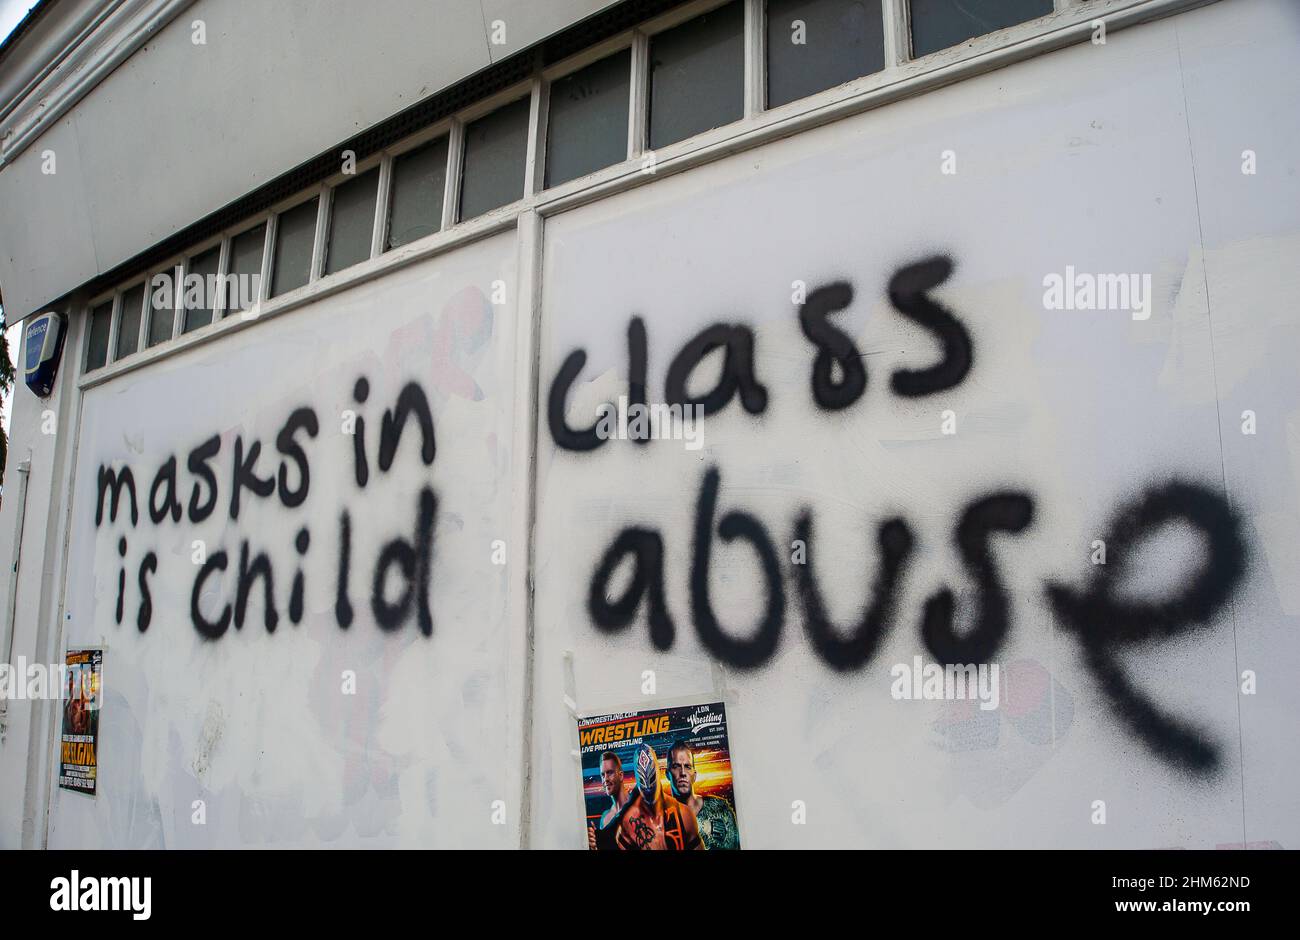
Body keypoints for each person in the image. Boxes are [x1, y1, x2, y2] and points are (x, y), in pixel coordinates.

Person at [613, 743, 703, 850]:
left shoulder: (684, 815)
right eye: (642, 782)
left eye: (651, 779)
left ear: (659, 772)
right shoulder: (627, 824)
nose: (648, 789)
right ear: (637, 780)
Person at [666, 738, 740, 850]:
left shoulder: (720, 809)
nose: (682, 773)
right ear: (667, 774)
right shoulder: (662, 821)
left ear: (694, 775)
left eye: (687, 766)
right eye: (676, 766)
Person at [588, 750, 630, 850]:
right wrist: (594, 846)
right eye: (603, 775)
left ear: (621, 775)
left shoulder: (637, 805)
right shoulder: (605, 818)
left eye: (610, 773)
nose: (605, 779)